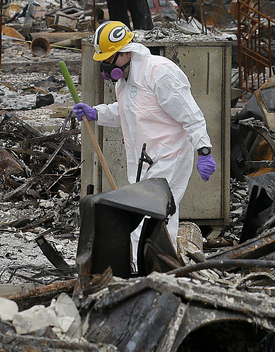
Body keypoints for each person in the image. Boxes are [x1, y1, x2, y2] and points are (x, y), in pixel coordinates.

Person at [73, 21, 217, 245]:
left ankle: (154, 271)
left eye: (108, 60)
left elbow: (191, 116)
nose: (106, 67)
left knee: (154, 219)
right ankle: (147, 269)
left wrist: (204, 150)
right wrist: (96, 113)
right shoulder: (125, 80)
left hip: (171, 157)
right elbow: (127, 112)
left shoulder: (160, 73)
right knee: (144, 219)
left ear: (126, 53)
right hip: (144, 162)